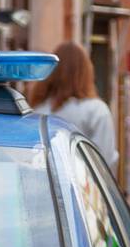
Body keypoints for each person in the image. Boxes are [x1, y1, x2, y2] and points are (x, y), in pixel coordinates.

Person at [28, 42, 118, 171]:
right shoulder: (97, 111)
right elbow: (105, 162)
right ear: (86, 71)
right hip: (81, 188)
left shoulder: (37, 110)